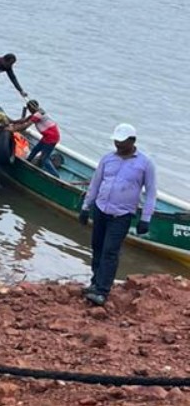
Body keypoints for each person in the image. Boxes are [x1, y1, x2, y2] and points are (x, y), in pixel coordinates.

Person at [79, 124, 157, 306]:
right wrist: (85, 207)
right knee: (97, 247)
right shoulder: (107, 159)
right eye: (116, 141)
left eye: (122, 142)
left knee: (110, 251)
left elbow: (151, 193)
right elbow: (95, 184)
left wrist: (146, 218)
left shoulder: (145, 163)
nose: (118, 145)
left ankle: (102, 291)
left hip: (121, 215)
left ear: (132, 141)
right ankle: (95, 282)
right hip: (100, 209)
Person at [11, 100, 60, 175]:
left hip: (51, 137)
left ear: (32, 108)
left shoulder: (38, 115)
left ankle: (55, 176)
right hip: (47, 136)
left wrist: (13, 130)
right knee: (36, 149)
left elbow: (26, 125)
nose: (29, 111)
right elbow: (24, 120)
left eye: (29, 109)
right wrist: (12, 121)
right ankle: (27, 162)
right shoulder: (37, 113)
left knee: (44, 158)